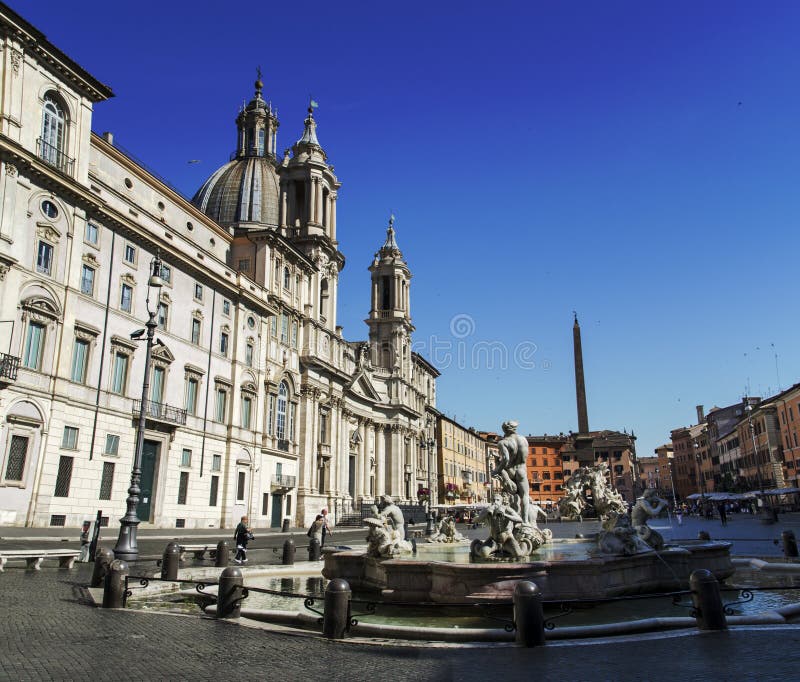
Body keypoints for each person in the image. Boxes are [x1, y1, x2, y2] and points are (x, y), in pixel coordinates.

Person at [491, 420, 531, 522]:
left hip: (510, 471)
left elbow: (506, 459)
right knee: (525, 496)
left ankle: (511, 518)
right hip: (522, 470)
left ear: (504, 430)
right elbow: (524, 457)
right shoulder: (523, 440)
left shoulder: (503, 442)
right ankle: (525, 521)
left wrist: (497, 470)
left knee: (511, 495)